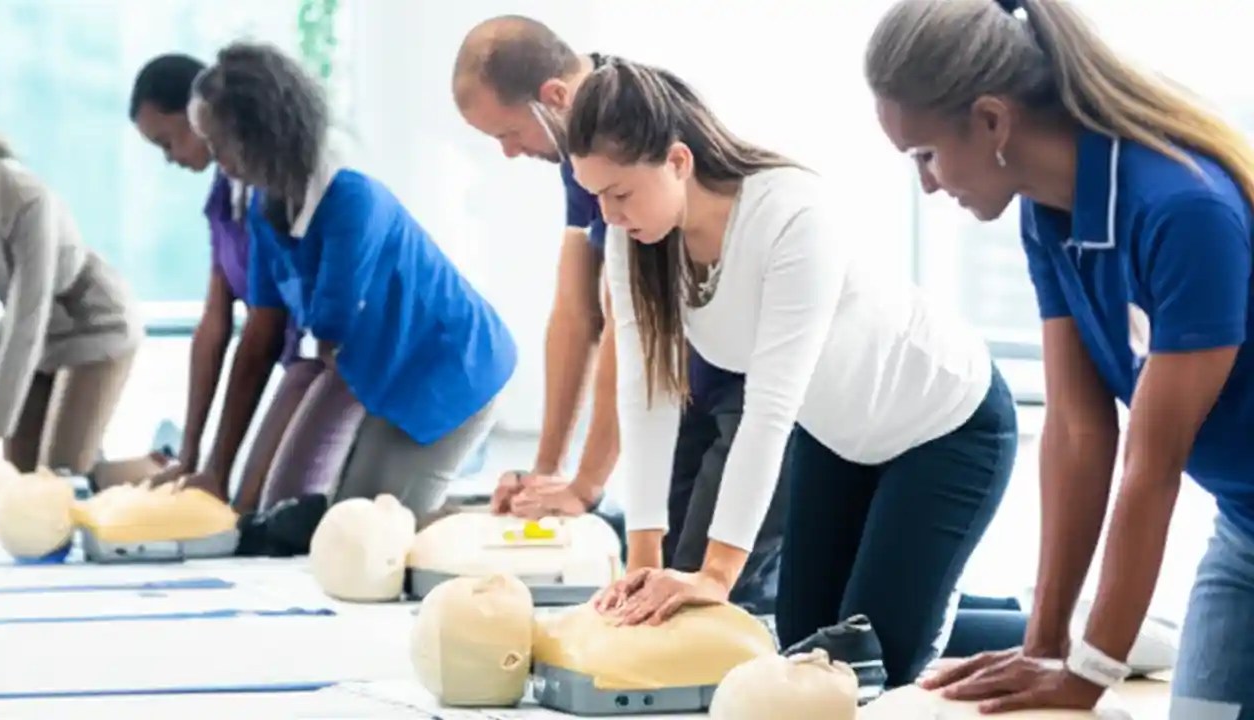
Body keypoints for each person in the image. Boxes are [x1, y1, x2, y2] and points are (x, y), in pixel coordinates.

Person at [571, 57, 1020, 691]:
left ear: (678, 161)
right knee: (806, 645)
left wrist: (713, 577)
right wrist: (643, 559)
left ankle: (1050, 636)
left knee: (867, 660)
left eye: (619, 193)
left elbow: (770, 408)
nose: (608, 214)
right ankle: (952, 596)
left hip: (945, 425)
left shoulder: (789, 213)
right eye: (594, 196)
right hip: (838, 437)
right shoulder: (636, 236)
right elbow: (646, 396)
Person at [866, 0, 1254, 716]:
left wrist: (1092, 669)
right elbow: (1079, 434)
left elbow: (1152, 465)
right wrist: (1044, 646)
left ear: (991, 120)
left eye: (924, 154)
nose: (925, 183)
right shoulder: (1049, 214)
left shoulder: (1182, 209)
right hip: (1246, 524)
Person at [451, 15, 783, 613]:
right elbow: (575, 314)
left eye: (507, 131)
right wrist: (547, 473)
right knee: (669, 581)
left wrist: (586, 486)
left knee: (720, 594)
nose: (506, 153)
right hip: (692, 386)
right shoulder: (583, 159)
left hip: (748, 385)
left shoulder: (632, 133)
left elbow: (628, 335)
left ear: (553, 98)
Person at [190, 42, 516, 521]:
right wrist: (224, 477)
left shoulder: (350, 196)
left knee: (374, 526)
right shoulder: (264, 208)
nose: (214, 159)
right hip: (379, 372)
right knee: (323, 517)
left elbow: (331, 324)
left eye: (218, 143)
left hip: (450, 369)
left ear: (257, 133)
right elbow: (264, 331)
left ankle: (515, 520)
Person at [128, 53, 365, 514]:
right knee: (244, 503)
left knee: (261, 511)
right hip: (303, 361)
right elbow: (215, 326)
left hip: (336, 360)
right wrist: (194, 456)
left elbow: (263, 333)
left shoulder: (308, 181)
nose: (171, 159)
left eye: (168, 142)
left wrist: (218, 467)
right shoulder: (229, 196)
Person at [0, 133, 143, 475]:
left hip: (93, 326)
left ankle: (160, 468)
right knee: (20, 478)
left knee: (60, 475)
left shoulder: (25, 197)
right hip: (36, 342)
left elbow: (27, 314)